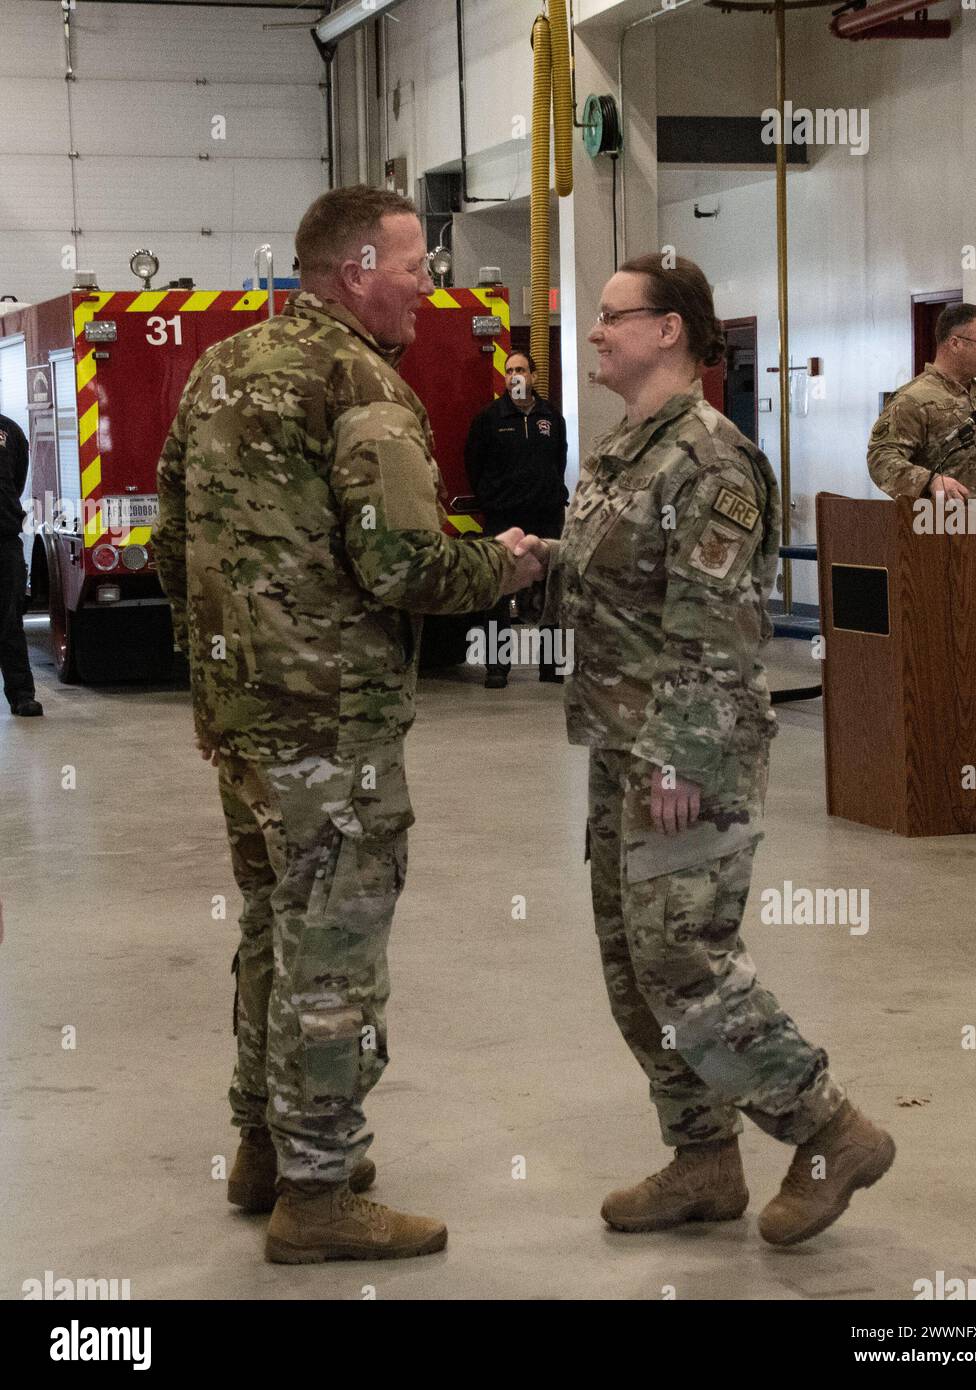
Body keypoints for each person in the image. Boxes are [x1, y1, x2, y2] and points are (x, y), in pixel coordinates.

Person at [154, 185, 543, 1265]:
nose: (430, 284)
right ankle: (319, 1191)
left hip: (242, 716)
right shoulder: (361, 382)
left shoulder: (223, 367)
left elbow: (171, 526)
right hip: (331, 724)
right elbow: (403, 562)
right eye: (418, 263)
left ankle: (264, 1146)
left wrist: (212, 685)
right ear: (361, 263)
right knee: (334, 947)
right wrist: (502, 567)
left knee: (274, 925)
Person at [517, 255, 894, 1247]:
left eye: (611, 315)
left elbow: (718, 621)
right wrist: (543, 557)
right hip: (621, 738)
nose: (593, 331)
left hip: (687, 750)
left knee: (682, 957)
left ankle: (828, 1129)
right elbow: (635, 580)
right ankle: (701, 1159)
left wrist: (680, 755)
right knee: (630, 963)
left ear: (670, 330)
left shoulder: (708, 458)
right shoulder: (626, 450)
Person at [464, 349, 567, 687]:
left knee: (552, 592)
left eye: (521, 370)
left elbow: (559, 462)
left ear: (533, 377)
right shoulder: (489, 419)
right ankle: (497, 668)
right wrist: (492, 499)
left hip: (546, 516)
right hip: (504, 518)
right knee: (498, 591)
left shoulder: (552, 418)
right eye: (509, 371)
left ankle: (551, 667)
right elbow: (474, 465)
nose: (515, 376)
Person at [867, 302, 976, 507]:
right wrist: (930, 481)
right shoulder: (914, 399)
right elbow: (880, 459)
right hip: (937, 528)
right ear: (955, 343)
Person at [0, 412, 42, 718]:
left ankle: (22, 695)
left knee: (9, 620)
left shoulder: (9, 431)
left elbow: (17, 481)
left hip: (3, 540)